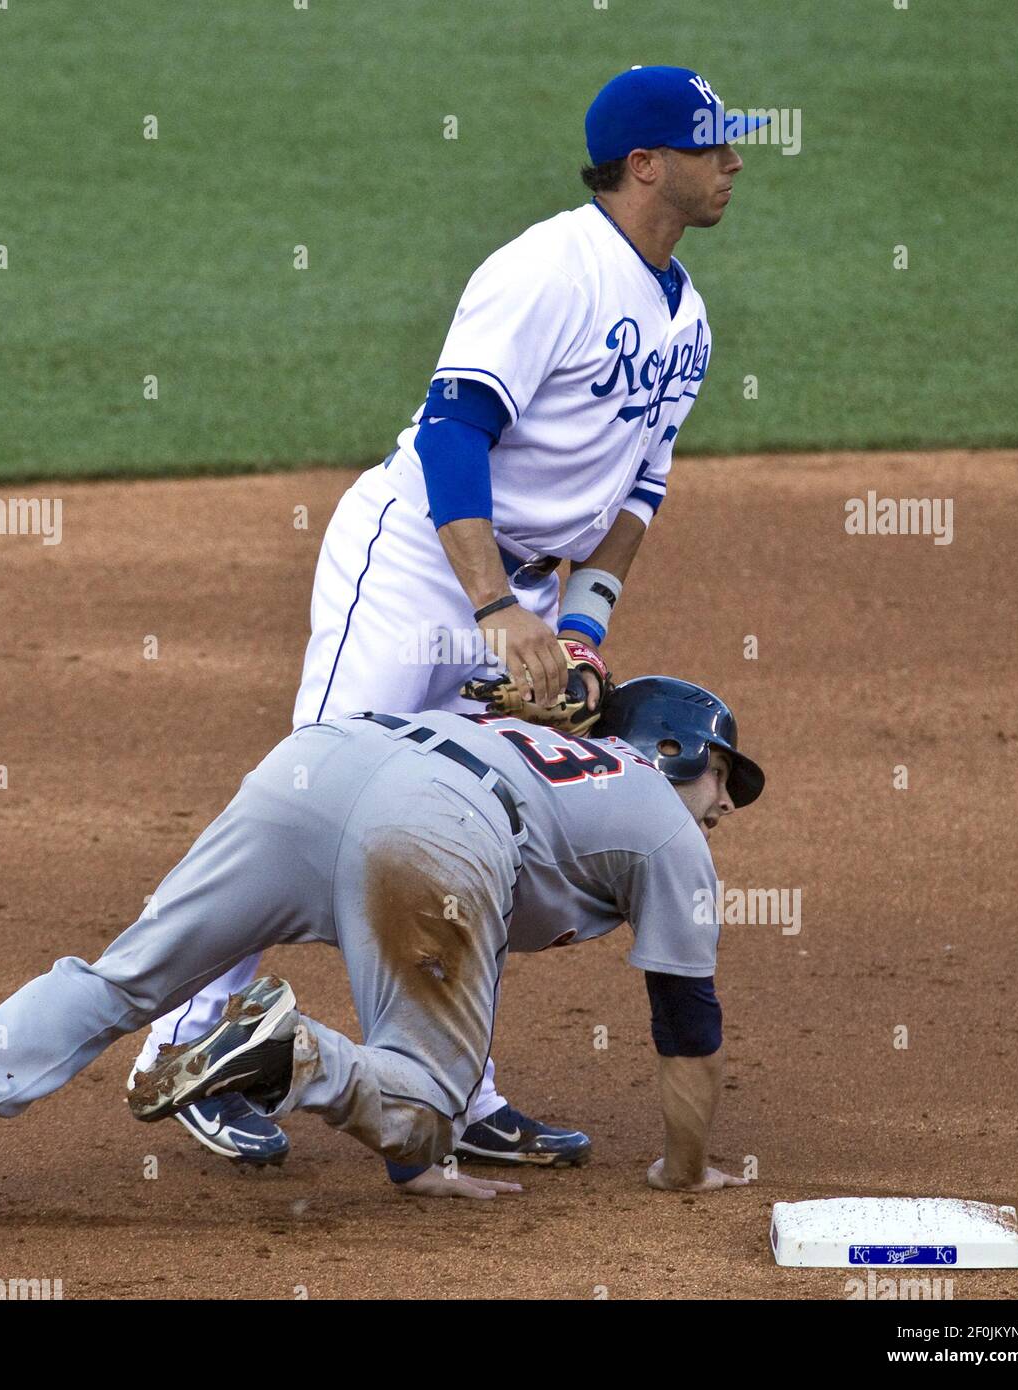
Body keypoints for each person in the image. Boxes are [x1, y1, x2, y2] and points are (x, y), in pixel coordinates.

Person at [139, 63, 768, 1169]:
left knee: (469, 821)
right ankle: (180, 1041)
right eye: (713, 145)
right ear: (644, 165)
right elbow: (449, 437)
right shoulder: (545, 272)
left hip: (518, 593)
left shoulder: (689, 316)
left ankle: (453, 1082)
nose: (734, 162)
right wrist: (488, 606)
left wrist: (576, 628)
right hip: (420, 561)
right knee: (306, 794)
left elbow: (635, 494)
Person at [0, 676, 763, 1218]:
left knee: (123, 980)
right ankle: (290, 1056)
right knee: (433, 1104)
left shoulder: (535, 750)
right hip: (434, 829)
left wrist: (413, 1174)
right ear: (673, 749)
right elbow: (687, 1031)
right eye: (724, 772)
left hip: (321, 765)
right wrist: (682, 1171)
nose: (726, 804)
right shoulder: (665, 827)